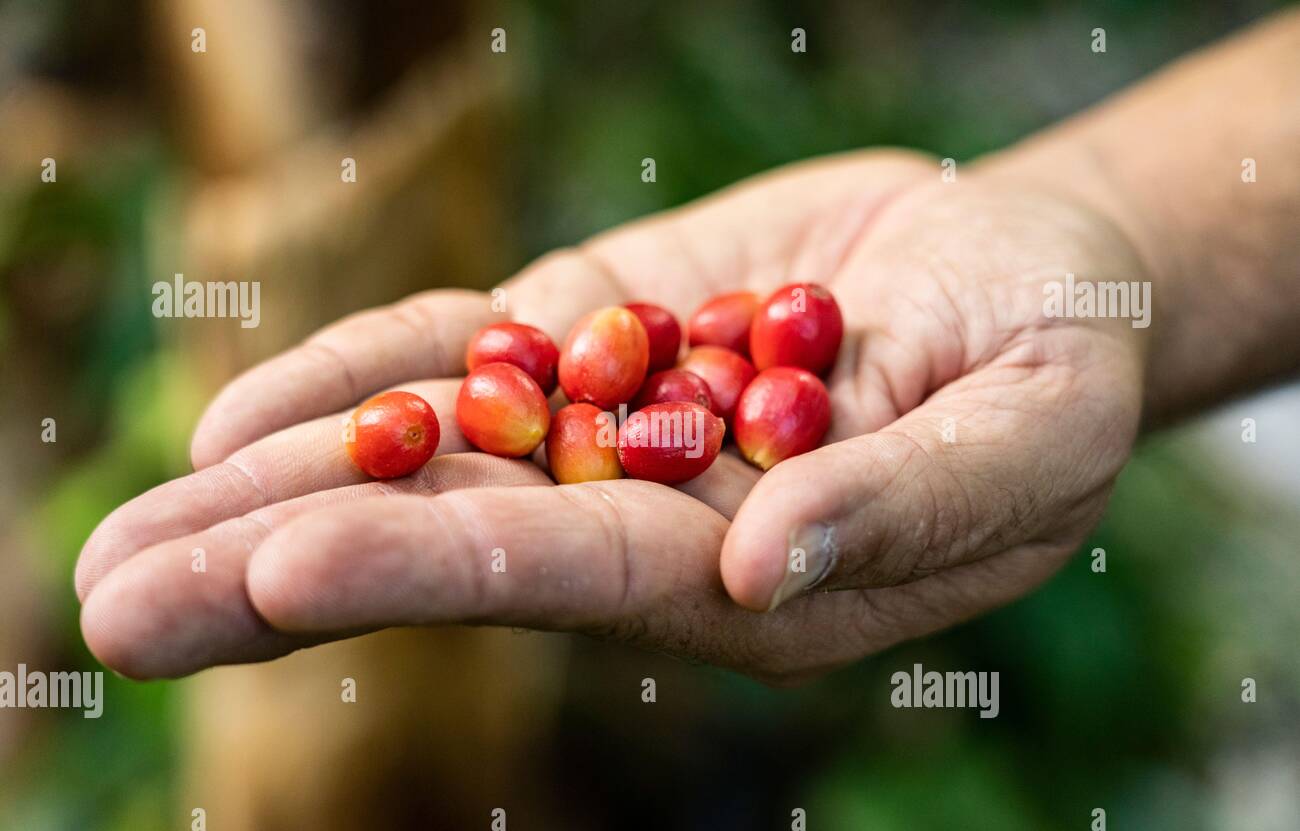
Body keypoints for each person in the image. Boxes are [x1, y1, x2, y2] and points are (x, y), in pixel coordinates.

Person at [76, 11, 1299, 685]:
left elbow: (678, 391)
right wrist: (1120, 219)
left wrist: (1112, 233)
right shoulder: (606, 395)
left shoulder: (676, 393)